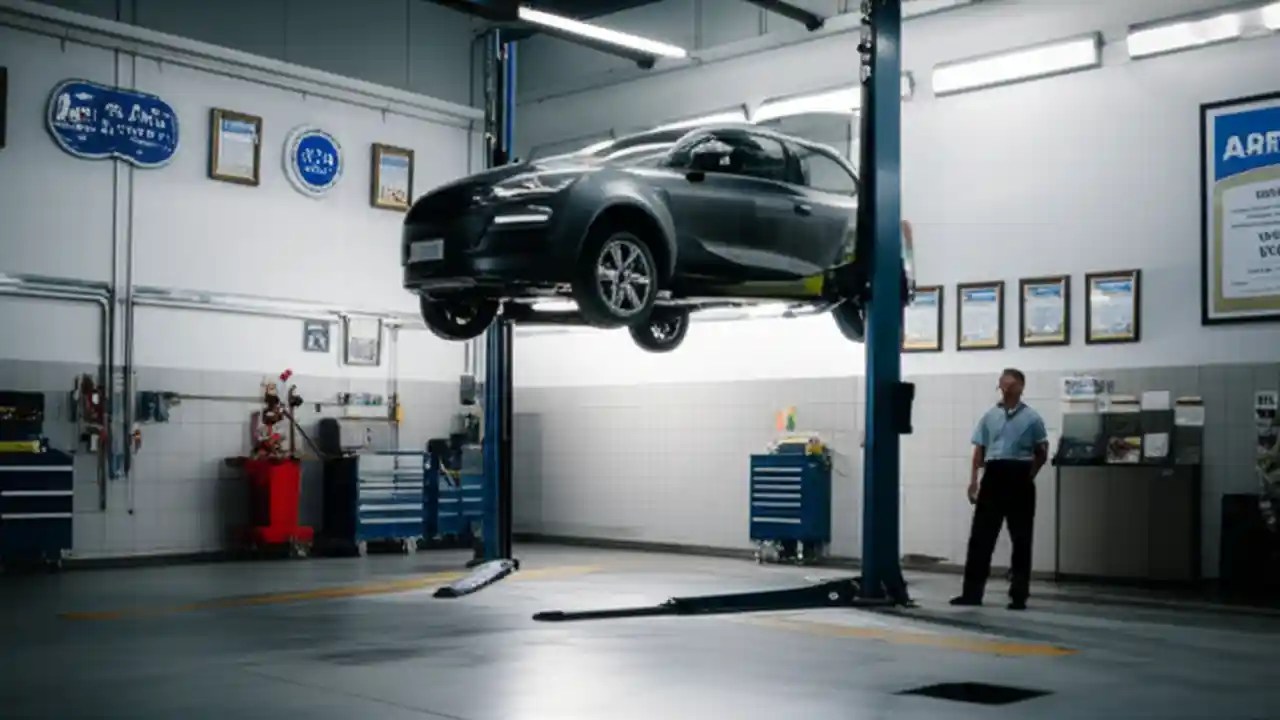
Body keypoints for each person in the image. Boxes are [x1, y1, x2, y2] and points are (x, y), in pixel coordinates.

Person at [951, 368, 1049, 610]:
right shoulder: (989, 417)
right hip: (993, 475)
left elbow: (1042, 451)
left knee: (1021, 539)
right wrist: (974, 481)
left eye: (1010, 386)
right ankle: (971, 593)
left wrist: (1029, 475)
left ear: (1021, 388)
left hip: (1019, 474)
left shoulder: (1033, 419)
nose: (1005, 390)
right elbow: (979, 451)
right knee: (981, 538)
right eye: (1002, 386)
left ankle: (1018, 595)